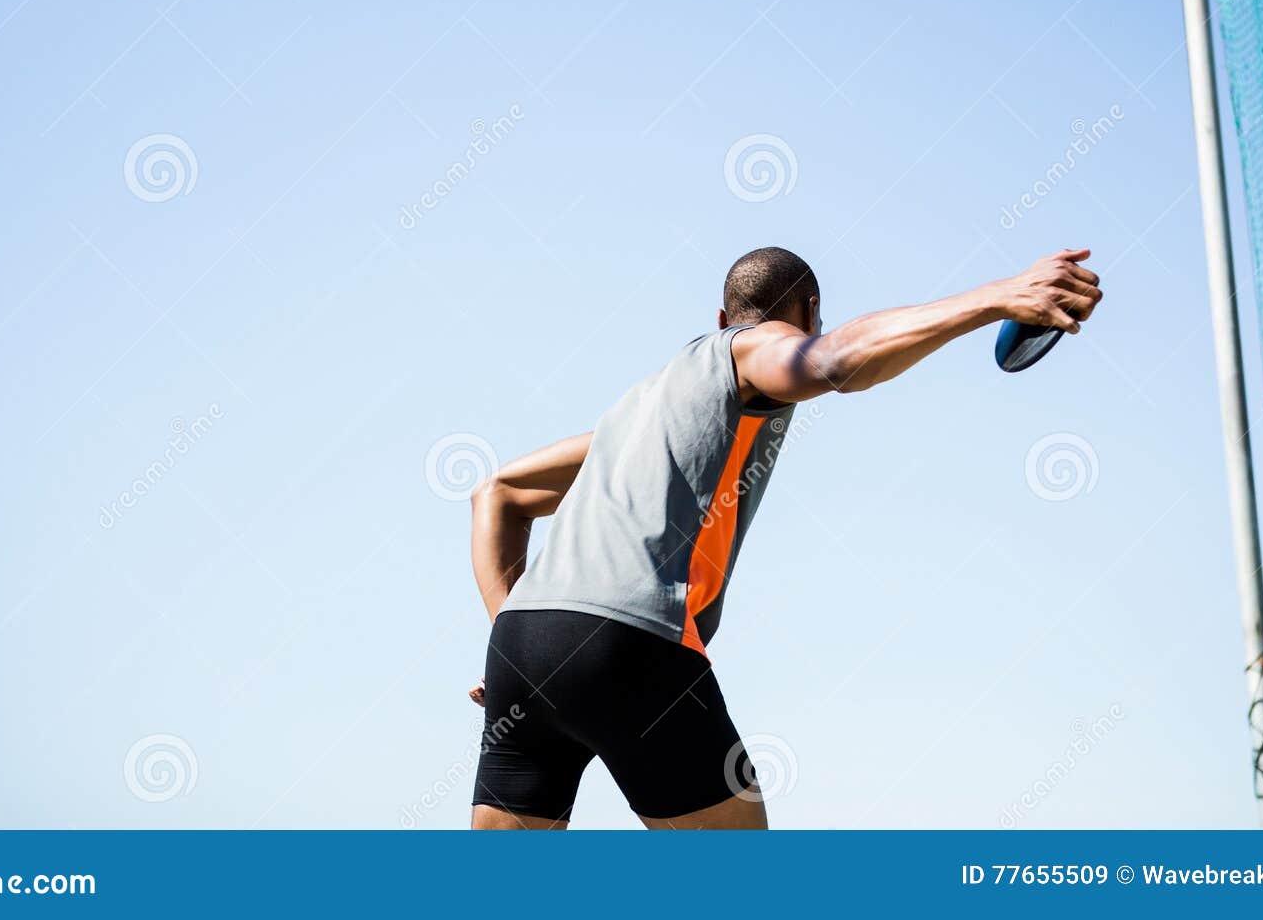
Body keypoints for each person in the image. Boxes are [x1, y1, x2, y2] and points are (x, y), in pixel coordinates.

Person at [467, 245, 1102, 829]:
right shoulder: (746, 348)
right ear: (808, 312)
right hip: (630, 641)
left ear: (720, 312)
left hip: (520, 654)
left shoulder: (637, 415)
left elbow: (497, 493)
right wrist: (996, 297)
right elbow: (830, 363)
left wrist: (516, 636)